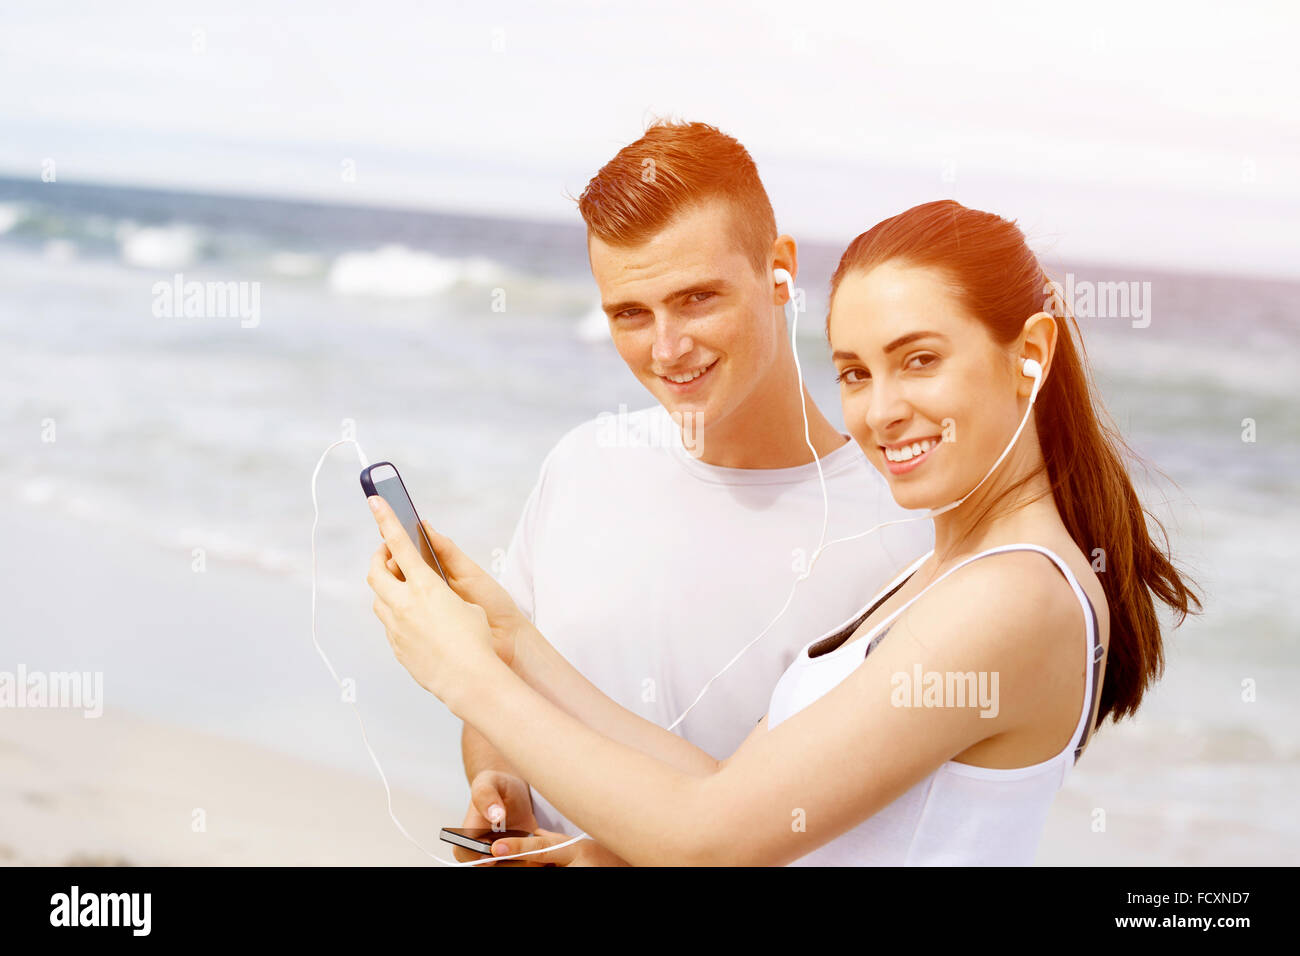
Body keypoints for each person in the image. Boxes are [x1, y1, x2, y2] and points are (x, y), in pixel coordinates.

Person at [370, 199, 1202, 866]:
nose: (883, 410)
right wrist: (515, 645)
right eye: (854, 372)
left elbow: (705, 838)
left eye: (919, 360)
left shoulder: (1017, 597)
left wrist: (468, 678)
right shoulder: (950, 572)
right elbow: (728, 795)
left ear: (1030, 353)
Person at [452, 120, 931, 860]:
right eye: (631, 314)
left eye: (698, 299)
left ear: (779, 270)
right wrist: (497, 779)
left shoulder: (898, 540)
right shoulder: (582, 464)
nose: (667, 349)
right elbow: (508, 682)